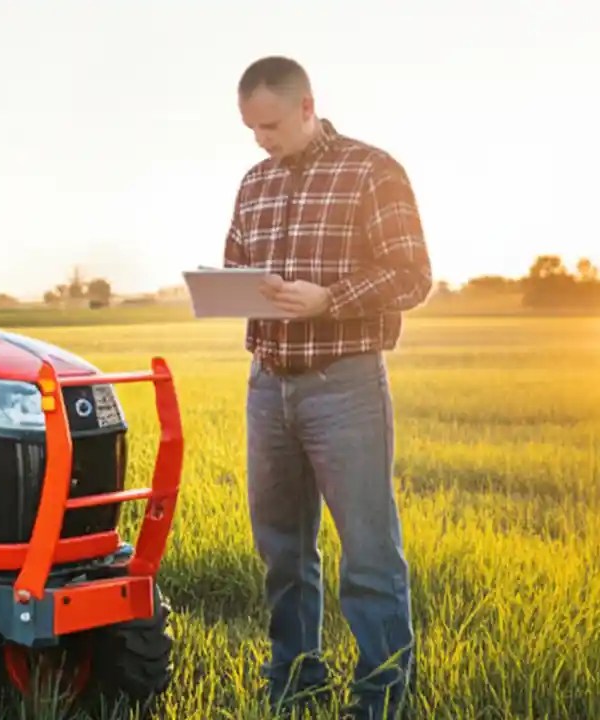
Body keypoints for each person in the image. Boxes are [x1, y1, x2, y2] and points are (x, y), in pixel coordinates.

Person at [222, 56, 433, 720]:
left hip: (345, 387)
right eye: (252, 128)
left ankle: (380, 701)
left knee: (369, 554)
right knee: (281, 551)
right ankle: (294, 680)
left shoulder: (372, 171)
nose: (262, 140)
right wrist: (234, 288)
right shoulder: (254, 182)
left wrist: (330, 300)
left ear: (308, 107)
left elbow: (411, 276)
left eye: (272, 125)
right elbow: (235, 263)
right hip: (267, 386)